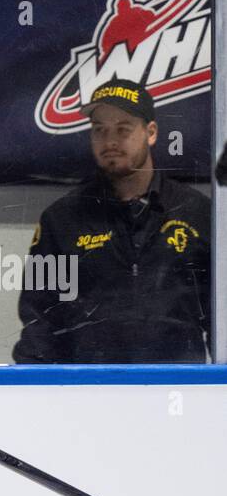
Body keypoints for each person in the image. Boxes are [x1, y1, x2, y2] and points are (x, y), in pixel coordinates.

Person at [14, 80, 211, 364]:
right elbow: (38, 324)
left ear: (151, 133)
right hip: (87, 394)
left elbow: (221, 317)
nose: (110, 142)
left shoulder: (196, 211)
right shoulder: (61, 219)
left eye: (123, 129)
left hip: (176, 394)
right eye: (99, 130)